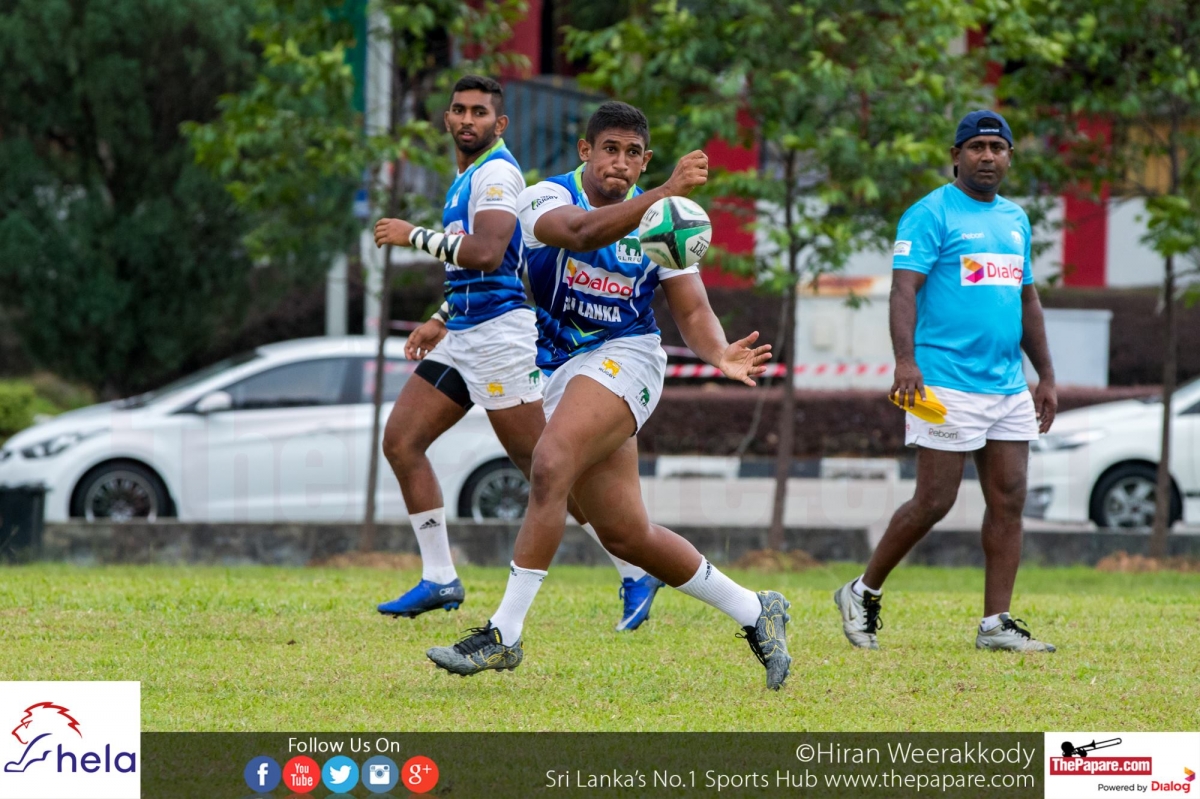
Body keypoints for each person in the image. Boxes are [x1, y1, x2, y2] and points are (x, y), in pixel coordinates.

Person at [426, 101, 793, 689]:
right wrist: (664, 191)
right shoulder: (545, 196)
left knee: (550, 463)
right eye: (610, 150)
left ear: (644, 159)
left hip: (630, 360)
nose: (619, 164)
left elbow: (692, 308)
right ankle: (756, 609)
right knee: (628, 535)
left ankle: (504, 635)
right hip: (565, 369)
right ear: (585, 151)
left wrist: (718, 350)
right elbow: (577, 231)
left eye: (632, 154)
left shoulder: (663, 219)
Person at [372, 76, 664, 631]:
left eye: (479, 112)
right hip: (465, 334)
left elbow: (485, 252)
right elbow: (488, 268)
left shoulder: (499, 174)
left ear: (498, 124)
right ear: (446, 117)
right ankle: (439, 578)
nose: (466, 120)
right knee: (402, 441)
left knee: (548, 471)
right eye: (458, 109)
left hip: (501, 340)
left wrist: (414, 235)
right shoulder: (465, 175)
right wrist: (440, 317)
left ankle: (633, 567)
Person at [833, 110, 1058, 653]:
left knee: (1009, 501)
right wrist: (905, 363)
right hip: (944, 381)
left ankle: (995, 624)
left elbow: (1027, 300)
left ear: (1009, 157)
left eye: (997, 147)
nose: (987, 156)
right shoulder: (929, 214)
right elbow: (902, 292)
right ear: (956, 156)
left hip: (1006, 386)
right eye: (976, 146)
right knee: (934, 500)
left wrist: (1045, 374)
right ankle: (862, 591)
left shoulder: (1015, 221)